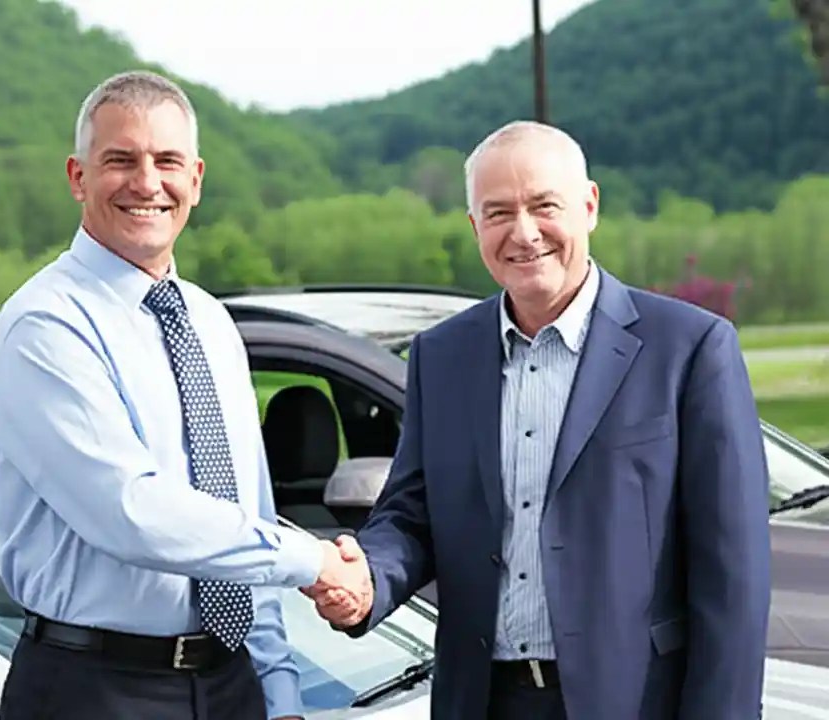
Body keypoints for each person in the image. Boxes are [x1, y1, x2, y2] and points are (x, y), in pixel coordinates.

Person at [304, 120, 772, 720]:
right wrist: (367, 577)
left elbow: (732, 575)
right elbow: (413, 514)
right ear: (475, 227)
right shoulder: (441, 356)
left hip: (634, 702)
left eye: (543, 205)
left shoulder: (689, 349)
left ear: (589, 205)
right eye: (498, 213)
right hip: (484, 700)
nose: (524, 233)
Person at [0, 70, 362, 720]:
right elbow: (130, 511)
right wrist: (314, 560)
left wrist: (278, 692)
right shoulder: (44, 327)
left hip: (228, 683)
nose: (147, 183)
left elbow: (246, 518)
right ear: (78, 176)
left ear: (198, 179)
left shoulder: (209, 322)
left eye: (168, 161)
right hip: (96, 690)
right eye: (120, 160)